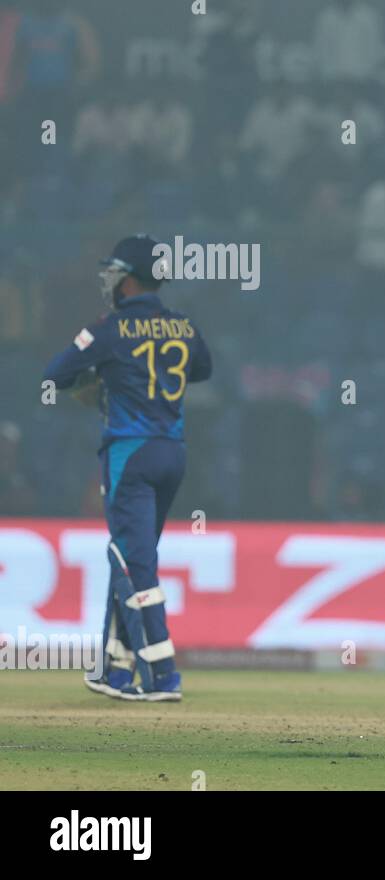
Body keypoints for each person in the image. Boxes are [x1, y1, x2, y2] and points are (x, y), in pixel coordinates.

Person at [43, 235, 212, 702]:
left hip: (130, 453)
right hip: (172, 453)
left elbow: (54, 374)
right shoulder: (184, 327)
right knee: (132, 554)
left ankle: (161, 676)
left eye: (115, 273)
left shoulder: (109, 329)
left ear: (130, 278)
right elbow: (203, 370)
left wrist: (98, 384)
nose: (109, 282)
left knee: (131, 560)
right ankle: (112, 670)